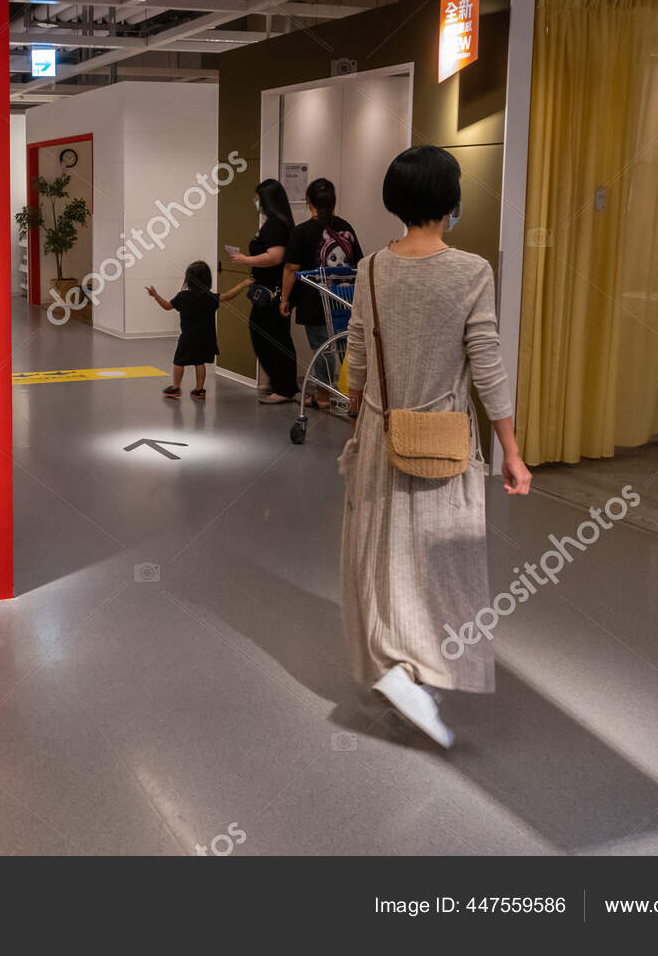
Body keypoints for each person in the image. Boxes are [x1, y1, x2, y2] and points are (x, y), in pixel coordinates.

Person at [337, 146, 531, 749]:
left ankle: (395, 667)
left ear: (397, 201)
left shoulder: (370, 270)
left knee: (379, 556)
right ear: (451, 202)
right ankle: (424, 668)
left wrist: (356, 418)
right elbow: (488, 367)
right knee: (441, 557)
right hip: (444, 438)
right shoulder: (471, 271)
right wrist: (512, 450)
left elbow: (357, 364)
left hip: (379, 431)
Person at [280, 178, 363, 410]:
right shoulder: (346, 226)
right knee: (349, 351)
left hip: (315, 300)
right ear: (334, 202)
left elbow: (290, 269)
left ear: (309, 202)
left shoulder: (302, 232)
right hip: (345, 299)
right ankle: (355, 399)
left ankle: (324, 397)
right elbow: (359, 263)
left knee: (322, 348)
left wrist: (284, 299)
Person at [226, 178, 297, 403]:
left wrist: (245, 259)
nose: (256, 203)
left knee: (272, 337)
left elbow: (275, 257)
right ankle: (279, 384)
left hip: (273, 293)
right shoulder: (278, 222)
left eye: (258, 199)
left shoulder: (276, 224)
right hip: (269, 290)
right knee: (268, 335)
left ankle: (284, 388)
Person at [146, 260, 251, 399]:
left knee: (179, 361)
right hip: (206, 337)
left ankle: (176, 387)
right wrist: (243, 284)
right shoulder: (210, 298)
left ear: (188, 279)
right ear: (207, 279)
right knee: (199, 362)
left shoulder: (183, 297)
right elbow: (228, 295)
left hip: (188, 337)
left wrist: (156, 296)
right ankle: (199, 390)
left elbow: (167, 306)